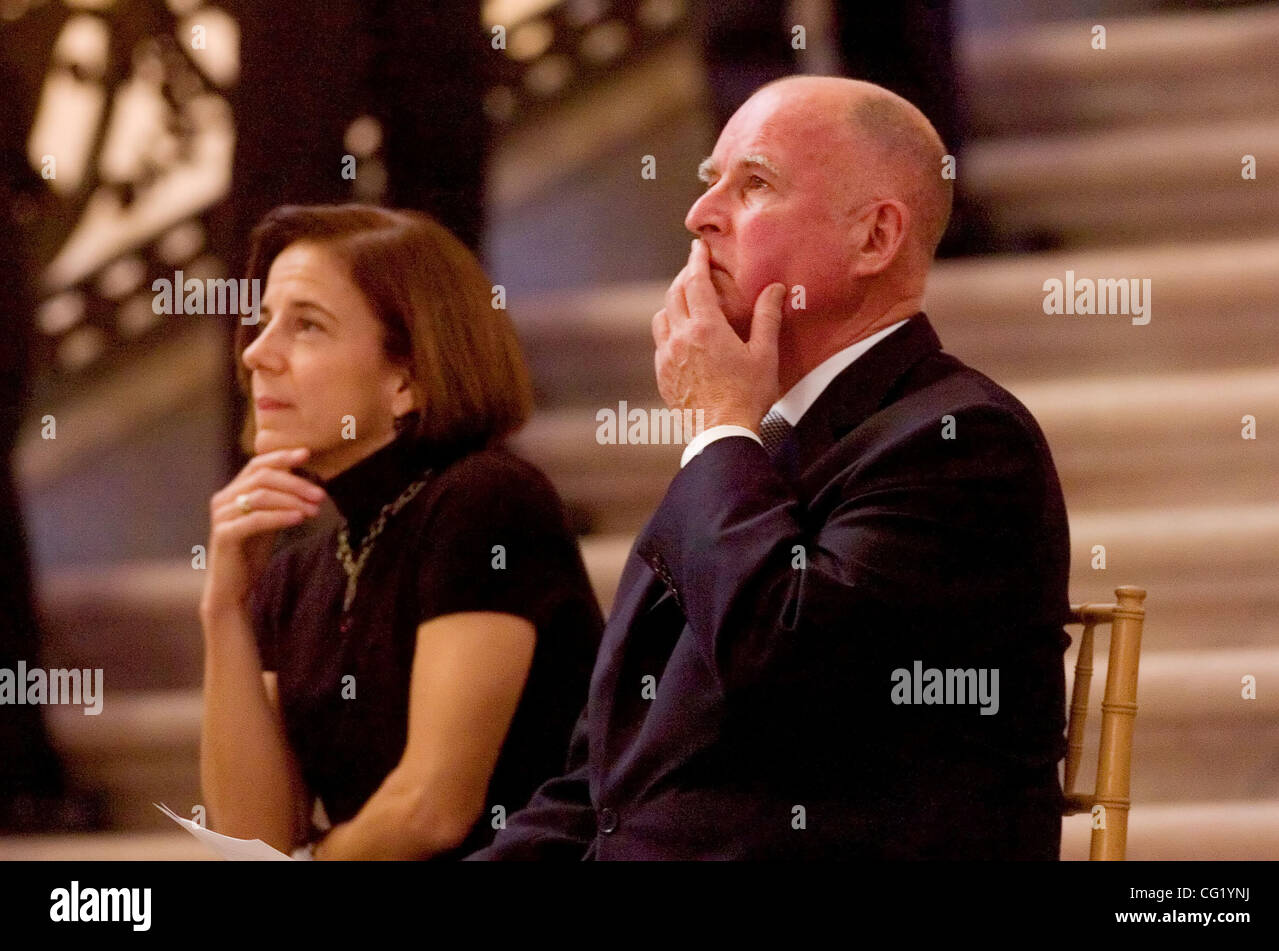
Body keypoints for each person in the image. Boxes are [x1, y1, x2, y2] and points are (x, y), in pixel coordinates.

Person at [469, 76, 1072, 860]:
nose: (699, 215)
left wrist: (720, 427)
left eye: (753, 184)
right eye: (706, 181)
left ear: (874, 238)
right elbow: (598, 791)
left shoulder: (961, 443)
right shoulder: (753, 444)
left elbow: (786, 664)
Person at [199, 204, 603, 860]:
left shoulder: (484, 501)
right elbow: (257, 838)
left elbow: (433, 809)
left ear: (407, 378)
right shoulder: (297, 566)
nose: (255, 352)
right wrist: (224, 609)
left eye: (305, 325)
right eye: (263, 319)